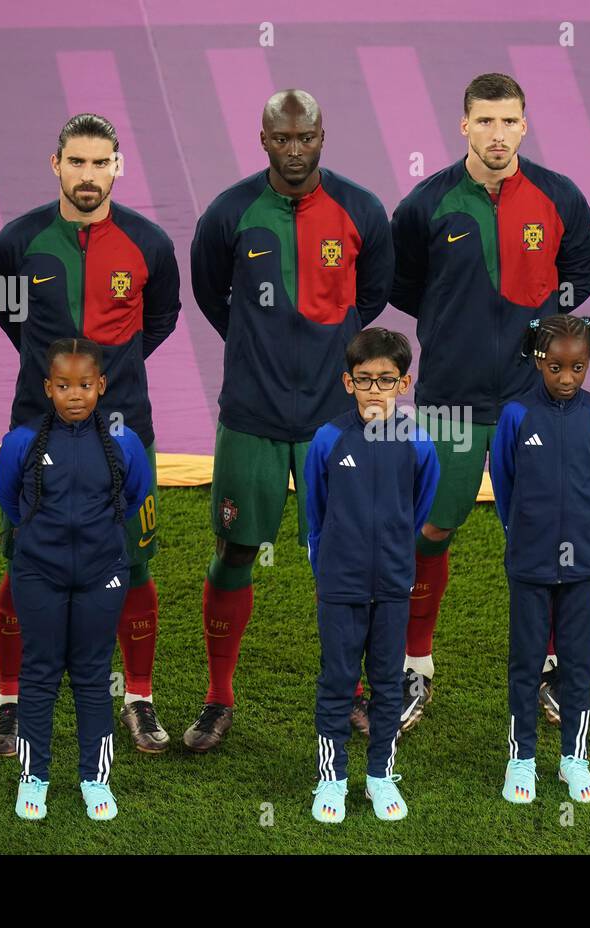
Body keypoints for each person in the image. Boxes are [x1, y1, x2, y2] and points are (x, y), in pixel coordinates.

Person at [189, 89, 393, 752]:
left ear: (323, 135)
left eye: (307, 137)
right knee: (235, 551)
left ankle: (353, 691)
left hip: (334, 420)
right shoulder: (230, 214)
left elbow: (372, 297)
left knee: (343, 558)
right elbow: (209, 292)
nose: (296, 150)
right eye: (284, 138)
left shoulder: (361, 211)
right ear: (264, 139)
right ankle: (219, 698)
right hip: (250, 413)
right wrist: (258, 348)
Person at [389, 72, 590, 732]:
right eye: (485, 122)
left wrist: (532, 342)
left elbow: (578, 279)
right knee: (430, 531)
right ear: (464, 125)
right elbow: (406, 286)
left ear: (525, 125)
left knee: (545, 534)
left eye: (509, 122)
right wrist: (458, 329)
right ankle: (413, 667)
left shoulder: (560, 197)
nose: (497, 134)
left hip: (535, 402)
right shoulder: (426, 203)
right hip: (449, 398)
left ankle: (551, 665)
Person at [0, 113, 179, 755]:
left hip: (124, 427)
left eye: (101, 163)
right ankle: (11, 700)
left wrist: (110, 377)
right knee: (24, 560)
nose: (89, 175)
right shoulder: (17, 241)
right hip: (36, 427)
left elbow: (163, 318)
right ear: (56, 164)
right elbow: (10, 320)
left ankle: (140, 696)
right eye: (77, 162)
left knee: (133, 561)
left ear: (117, 167)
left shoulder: (150, 243)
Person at [0, 338, 151, 820]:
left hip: (102, 575)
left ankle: (94, 781)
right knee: (38, 674)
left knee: (90, 675)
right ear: (48, 388)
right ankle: (33, 779)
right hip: (38, 573)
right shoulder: (23, 441)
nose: (76, 395)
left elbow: (135, 492)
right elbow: (8, 496)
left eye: (85, 385)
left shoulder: (124, 441)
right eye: (64, 386)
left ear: (101, 385)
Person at [302, 327, 439, 822]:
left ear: (404, 384)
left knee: (386, 681)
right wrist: (327, 566)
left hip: (393, 586)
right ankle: (332, 779)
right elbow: (315, 513)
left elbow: (419, 507)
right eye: (365, 380)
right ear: (347, 382)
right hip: (340, 584)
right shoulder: (327, 440)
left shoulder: (419, 443)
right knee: (338, 681)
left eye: (387, 380)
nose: (375, 390)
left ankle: (380, 775)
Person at [491, 315, 590, 805]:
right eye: (556, 366)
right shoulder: (517, 416)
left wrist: (580, 532)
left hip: (582, 564)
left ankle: (574, 759)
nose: (567, 378)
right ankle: (521, 760)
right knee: (526, 664)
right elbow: (504, 484)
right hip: (529, 563)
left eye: (578, 367)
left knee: (578, 666)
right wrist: (523, 532)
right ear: (538, 360)